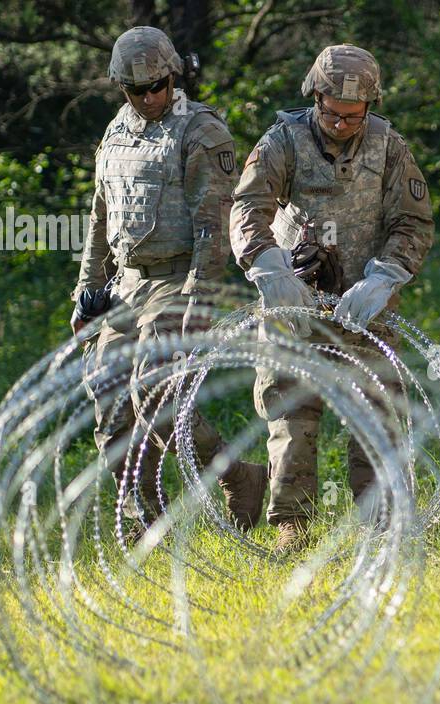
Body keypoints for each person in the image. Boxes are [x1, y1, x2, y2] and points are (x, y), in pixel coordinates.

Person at [230, 43, 434, 551]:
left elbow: (413, 220)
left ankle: (384, 523)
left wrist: (386, 276)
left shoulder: (389, 147)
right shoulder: (283, 141)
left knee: (379, 411)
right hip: (294, 300)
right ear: (314, 95)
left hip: (365, 305)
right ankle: (291, 526)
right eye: (333, 113)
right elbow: (247, 208)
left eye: (354, 115)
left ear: (370, 105)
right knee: (290, 413)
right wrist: (267, 266)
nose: (342, 124)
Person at [72, 26, 266, 534]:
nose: (149, 97)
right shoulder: (117, 130)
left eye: (158, 85)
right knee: (110, 407)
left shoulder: (200, 131)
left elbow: (213, 226)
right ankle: (143, 516)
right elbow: (99, 218)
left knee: (156, 397)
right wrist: (85, 292)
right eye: (136, 90)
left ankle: (237, 478)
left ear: (173, 77)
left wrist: (198, 303)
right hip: (124, 285)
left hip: (177, 281)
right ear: (120, 88)